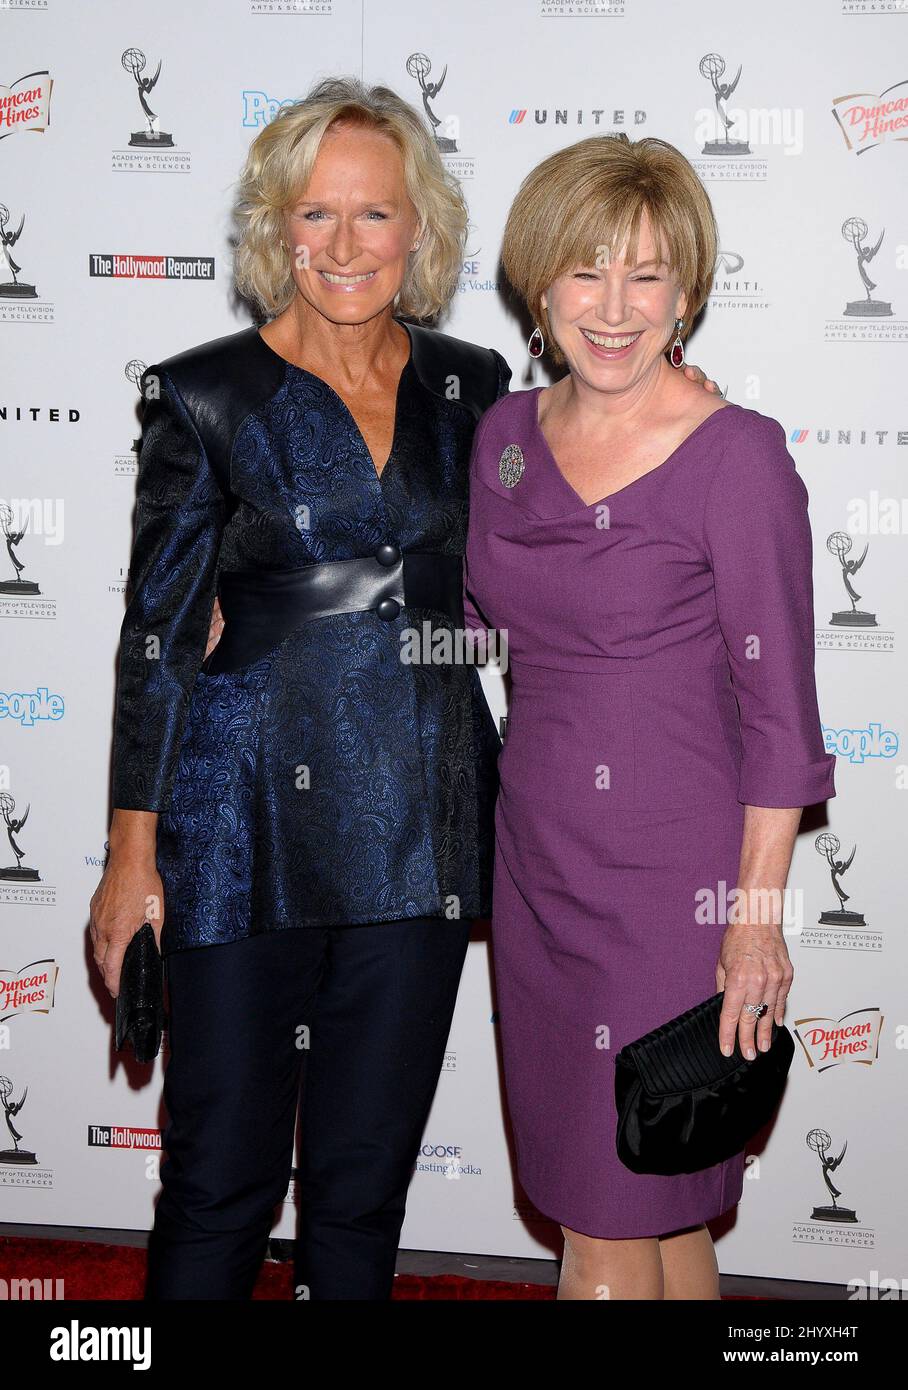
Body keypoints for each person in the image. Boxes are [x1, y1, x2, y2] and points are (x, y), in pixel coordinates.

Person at [90, 76, 512, 1302]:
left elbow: (533, 557)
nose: (343, 243)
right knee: (218, 1177)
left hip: (419, 818)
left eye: (373, 213)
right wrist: (132, 858)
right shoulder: (205, 394)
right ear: (277, 227)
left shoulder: (472, 384)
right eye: (314, 213)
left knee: (361, 1184)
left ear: (418, 228)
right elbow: (157, 639)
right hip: (240, 826)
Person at [463, 134, 836, 1301]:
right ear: (539, 286)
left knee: (603, 1221)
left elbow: (780, 719)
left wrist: (752, 922)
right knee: (656, 1205)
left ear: (686, 293)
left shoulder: (737, 458)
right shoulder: (502, 441)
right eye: (585, 271)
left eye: (645, 275)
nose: (614, 308)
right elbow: (469, 626)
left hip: (675, 890)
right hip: (538, 865)